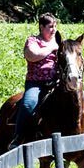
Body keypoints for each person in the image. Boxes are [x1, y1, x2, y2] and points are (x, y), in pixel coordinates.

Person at [12, 12, 60, 147]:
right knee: (28, 104)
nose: (54, 30)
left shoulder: (58, 41)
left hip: (56, 83)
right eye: (50, 26)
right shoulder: (33, 41)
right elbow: (32, 55)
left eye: (55, 26)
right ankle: (18, 137)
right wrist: (51, 47)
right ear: (41, 27)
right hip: (36, 84)